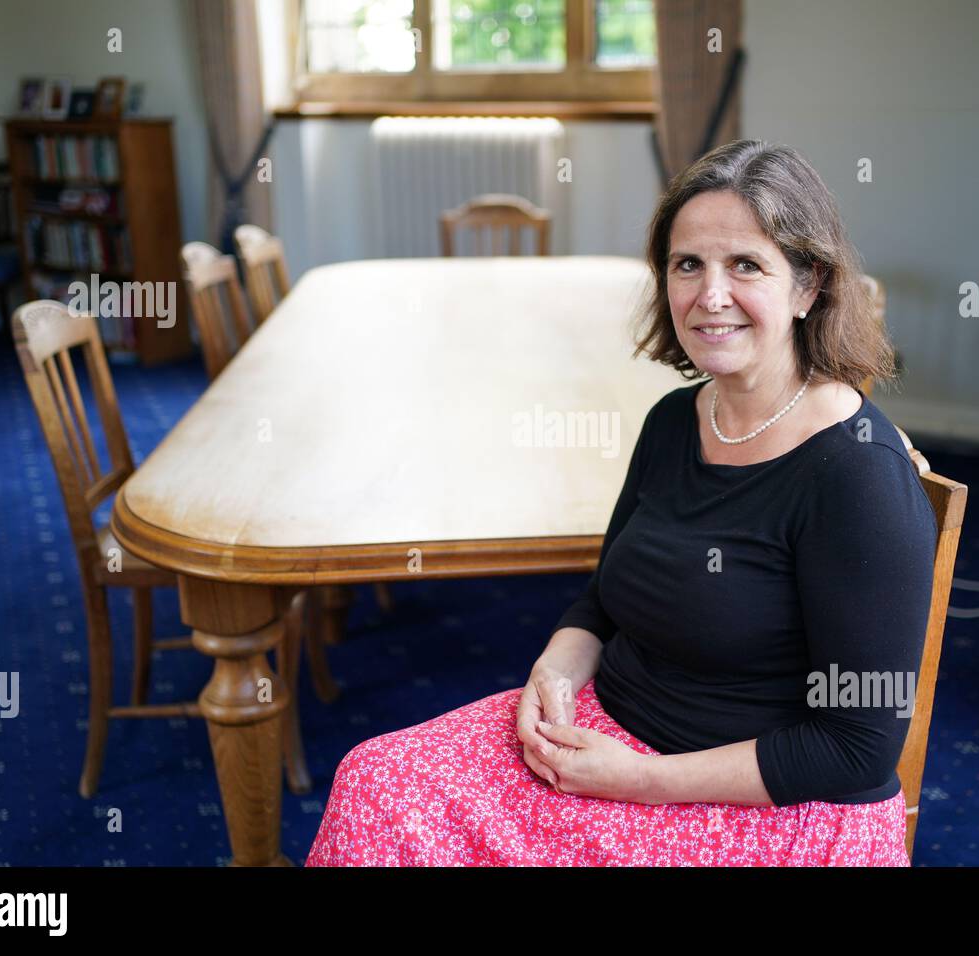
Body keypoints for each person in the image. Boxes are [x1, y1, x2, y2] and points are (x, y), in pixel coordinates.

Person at [306, 139, 938, 866]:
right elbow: (603, 600)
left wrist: (643, 781)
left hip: (766, 810)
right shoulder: (677, 420)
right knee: (373, 781)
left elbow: (855, 747)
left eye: (746, 266)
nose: (711, 295)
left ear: (808, 286)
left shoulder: (857, 475)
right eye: (687, 265)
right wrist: (556, 668)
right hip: (620, 739)